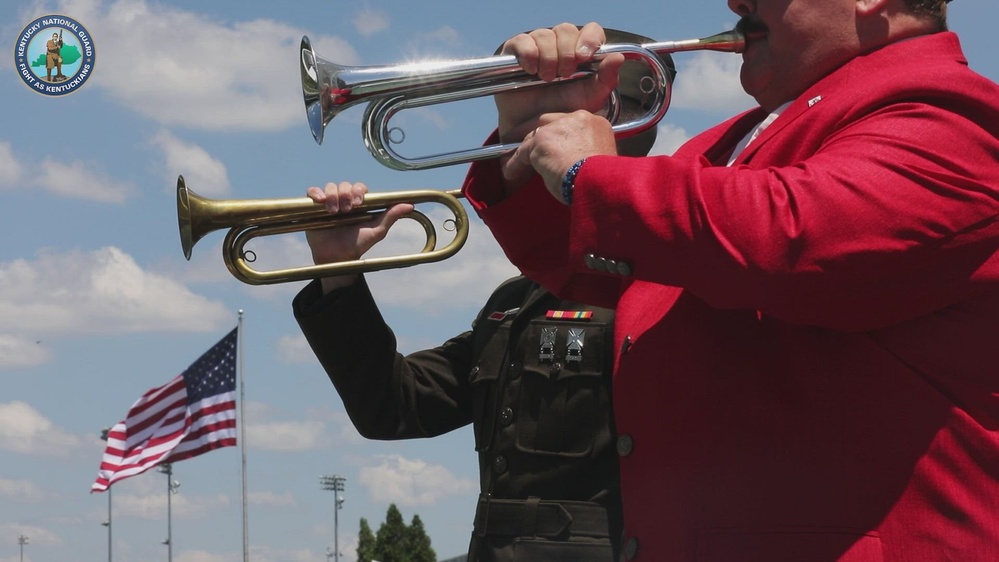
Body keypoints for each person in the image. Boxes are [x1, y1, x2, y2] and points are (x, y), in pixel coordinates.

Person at [460, 0, 999, 561]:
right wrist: (527, 138)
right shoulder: (738, 138)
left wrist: (589, 173)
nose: (735, 3)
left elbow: (794, 240)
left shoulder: (946, 106)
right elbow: (595, 272)